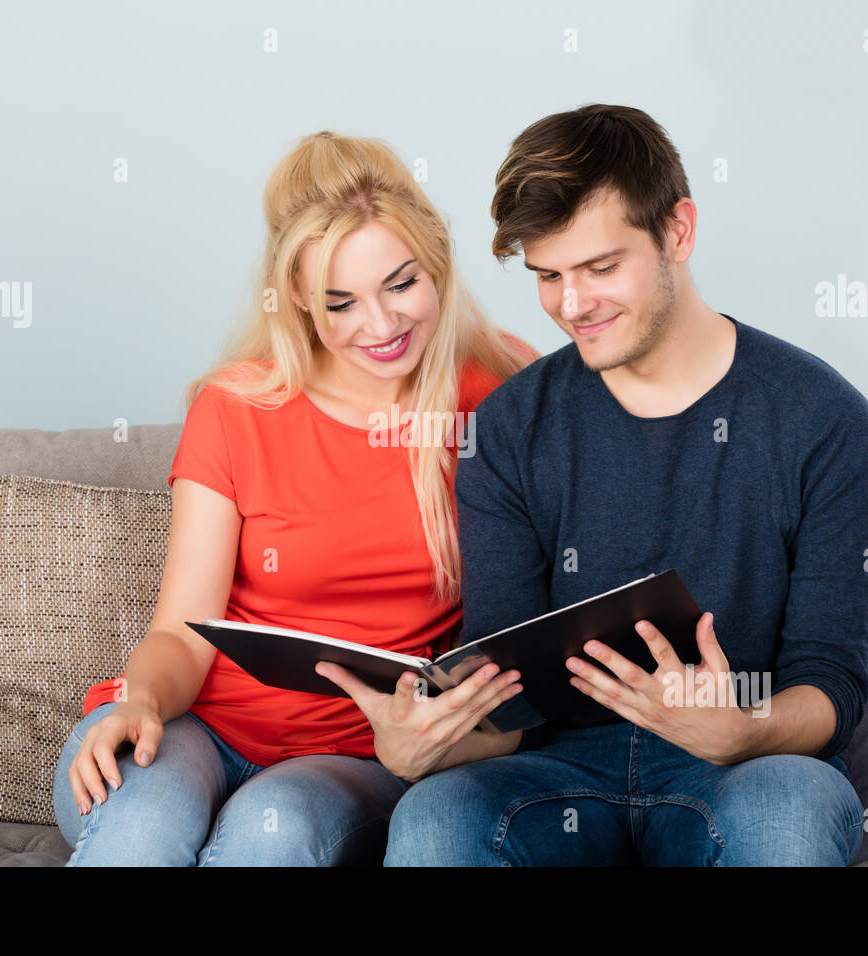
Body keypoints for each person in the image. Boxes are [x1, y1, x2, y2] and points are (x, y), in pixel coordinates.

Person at [384, 104, 868, 866]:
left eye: (601, 267)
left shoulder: (821, 416)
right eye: (547, 276)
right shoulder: (512, 426)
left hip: (745, 770)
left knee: (789, 812)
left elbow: (831, 684)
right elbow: (514, 695)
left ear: (678, 231)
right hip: (555, 770)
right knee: (432, 819)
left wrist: (745, 729)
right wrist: (421, 749)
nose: (571, 305)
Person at [51, 130, 538, 866]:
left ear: (437, 262)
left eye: (402, 285)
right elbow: (183, 633)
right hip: (198, 727)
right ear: (302, 303)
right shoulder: (234, 407)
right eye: (341, 302)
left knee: (267, 835)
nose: (379, 326)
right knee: (139, 838)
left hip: (357, 755)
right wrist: (142, 702)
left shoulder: (501, 389)